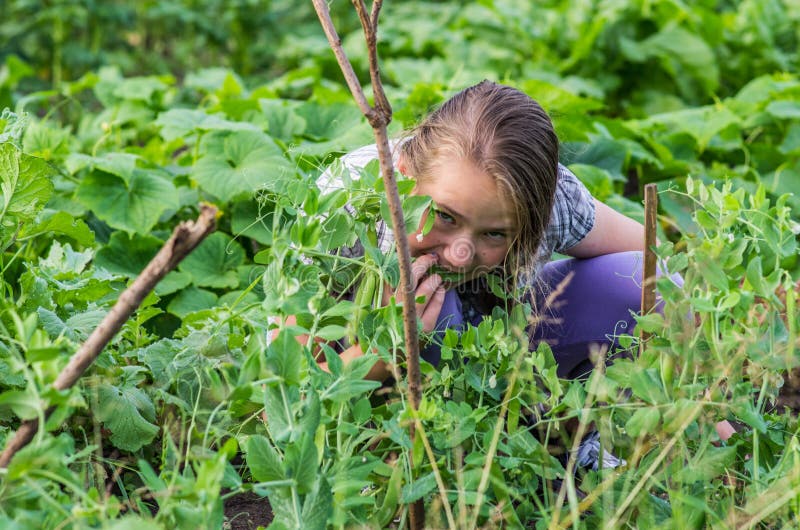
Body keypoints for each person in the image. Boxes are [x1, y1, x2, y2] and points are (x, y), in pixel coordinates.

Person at [310, 80, 651, 383]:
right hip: (363, 386)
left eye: (495, 234)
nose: (459, 256)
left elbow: (657, 260)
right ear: (402, 175)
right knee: (439, 314)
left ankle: (562, 436)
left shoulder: (545, 198)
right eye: (444, 216)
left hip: (506, 352)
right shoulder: (343, 206)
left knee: (644, 281)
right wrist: (387, 350)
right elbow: (284, 403)